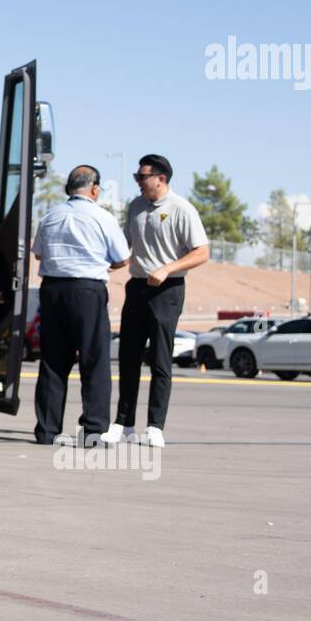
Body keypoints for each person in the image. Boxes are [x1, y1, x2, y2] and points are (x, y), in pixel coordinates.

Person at [100, 154, 209, 447]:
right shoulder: (135, 207)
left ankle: (155, 426)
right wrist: (104, 263)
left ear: (160, 178)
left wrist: (167, 268)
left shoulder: (182, 209)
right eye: (137, 177)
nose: (138, 182)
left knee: (160, 359)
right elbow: (125, 248)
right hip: (137, 288)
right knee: (128, 357)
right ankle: (123, 423)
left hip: (167, 289)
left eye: (142, 177)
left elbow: (202, 252)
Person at [31, 165, 130, 445]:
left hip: (52, 289)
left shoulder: (51, 216)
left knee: (52, 362)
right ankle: (93, 430)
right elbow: (122, 258)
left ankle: (47, 430)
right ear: (94, 189)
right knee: (94, 360)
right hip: (88, 291)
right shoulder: (102, 217)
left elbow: (38, 253)